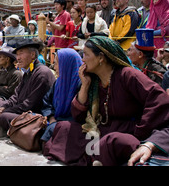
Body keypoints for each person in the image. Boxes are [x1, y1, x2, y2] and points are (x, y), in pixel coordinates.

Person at [43, 36, 169, 166]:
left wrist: (141, 131)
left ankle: (93, 156)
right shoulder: (94, 81)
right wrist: (85, 86)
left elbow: (160, 101)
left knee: (112, 141)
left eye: (86, 54)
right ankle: (92, 156)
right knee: (64, 127)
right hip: (101, 131)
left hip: (129, 133)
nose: (83, 59)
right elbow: (78, 116)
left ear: (101, 58)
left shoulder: (128, 75)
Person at [0, 38, 56, 138]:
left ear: (32, 55)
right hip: (20, 110)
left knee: (4, 115)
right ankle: (2, 127)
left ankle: (2, 127)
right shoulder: (28, 72)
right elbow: (16, 95)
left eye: (21, 53)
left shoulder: (42, 73)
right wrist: (5, 106)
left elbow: (30, 105)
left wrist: (7, 110)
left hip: (32, 115)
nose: (18, 58)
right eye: (17, 54)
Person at [40, 48, 83, 142]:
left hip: (71, 123)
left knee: (54, 129)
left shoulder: (81, 84)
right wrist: (50, 117)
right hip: (55, 119)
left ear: (67, 64)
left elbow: (80, 113)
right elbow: (47, 102)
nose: (54, 67)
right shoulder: (58, 83)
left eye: (56, 63)